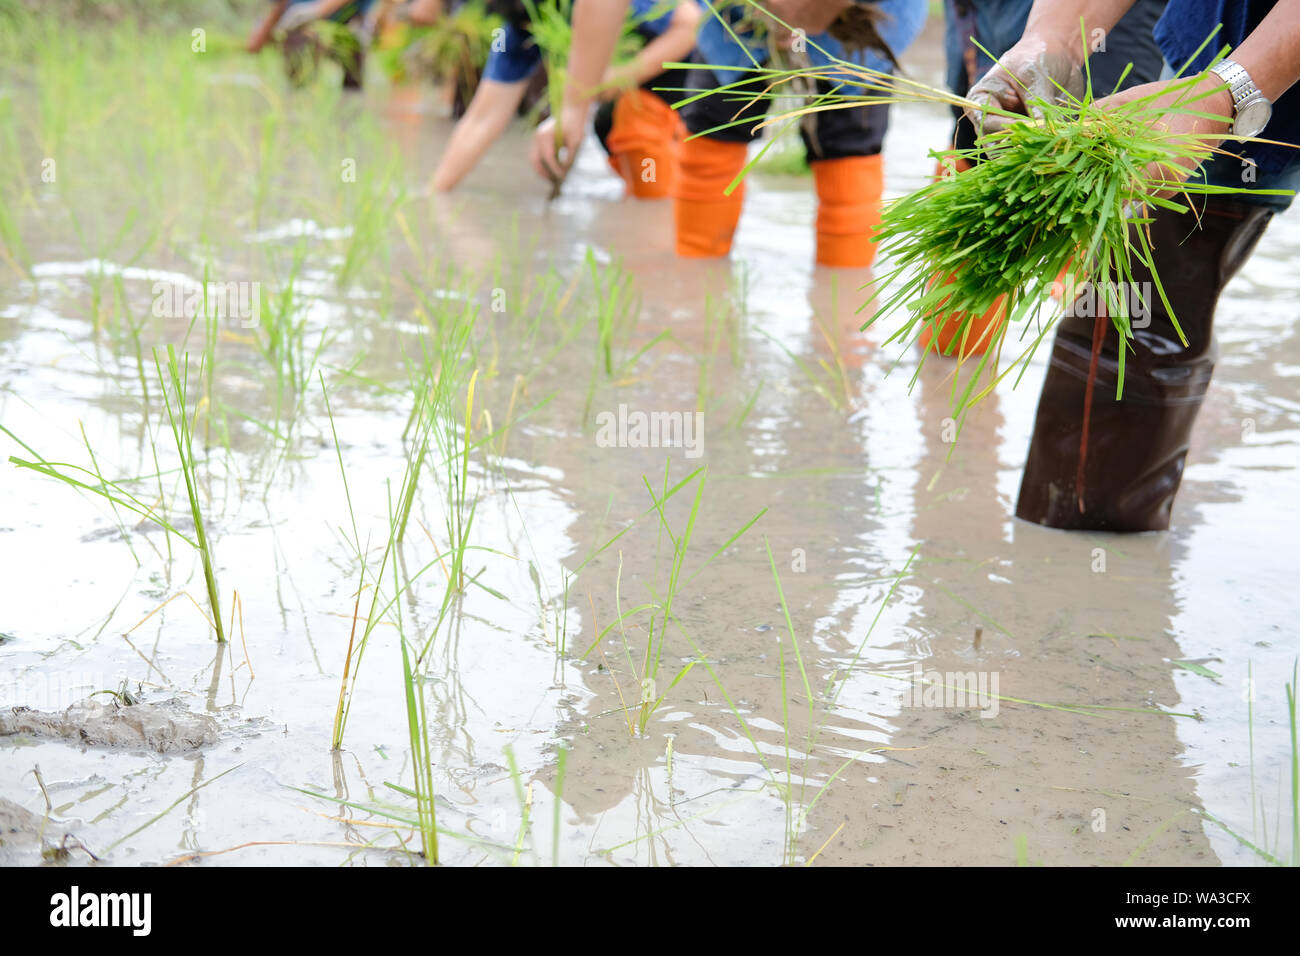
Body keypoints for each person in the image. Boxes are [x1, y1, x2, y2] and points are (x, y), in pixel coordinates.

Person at [963, 0, 1300, 531]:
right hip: (1219, 38)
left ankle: (1083, 562)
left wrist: (1228, 92)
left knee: (1140, 311)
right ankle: (1081, 568)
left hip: (1257, 56)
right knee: (1127, 310)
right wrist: (1052, 38)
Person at [530, 0, 926, 267]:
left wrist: (807, 14)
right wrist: (573, 109)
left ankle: (843, 332)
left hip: (864, 16)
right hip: (734, 18)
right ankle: (696, 291)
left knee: (848, 153)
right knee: (713, 135)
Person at [922, 0, 1169, 357]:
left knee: (1089, 159)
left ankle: (1078, 309)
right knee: (978, 130)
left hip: (1108, 18)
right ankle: (949, 367)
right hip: (992, 16)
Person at [432, 0, 701, 194]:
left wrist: (616, 77)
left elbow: (691, 24)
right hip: (616, 100)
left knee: (642, 145)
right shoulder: (520, 27)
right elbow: (482, 117)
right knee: (637, 172)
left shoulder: (614, 5)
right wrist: (437, 191)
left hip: (684, 73)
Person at [247, 0, 380, 89]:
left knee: (352, 82)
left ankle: (350, 124)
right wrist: (265, 29)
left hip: (349, 19)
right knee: (299, 80)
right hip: (299, 21)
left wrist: (320, 9)